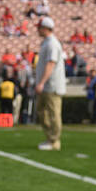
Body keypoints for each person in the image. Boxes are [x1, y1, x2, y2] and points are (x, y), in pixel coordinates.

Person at [34, 17, 65, 150]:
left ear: (45, 28)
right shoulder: (46, 43)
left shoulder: (52, 43)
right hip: (47, 85)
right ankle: (50, 137)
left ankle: (54, 141)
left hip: (52, 85)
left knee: (53, 113)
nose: (37, 29)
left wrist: (41, 82)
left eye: (40, 27)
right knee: (41, 111)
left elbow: (51, 63)